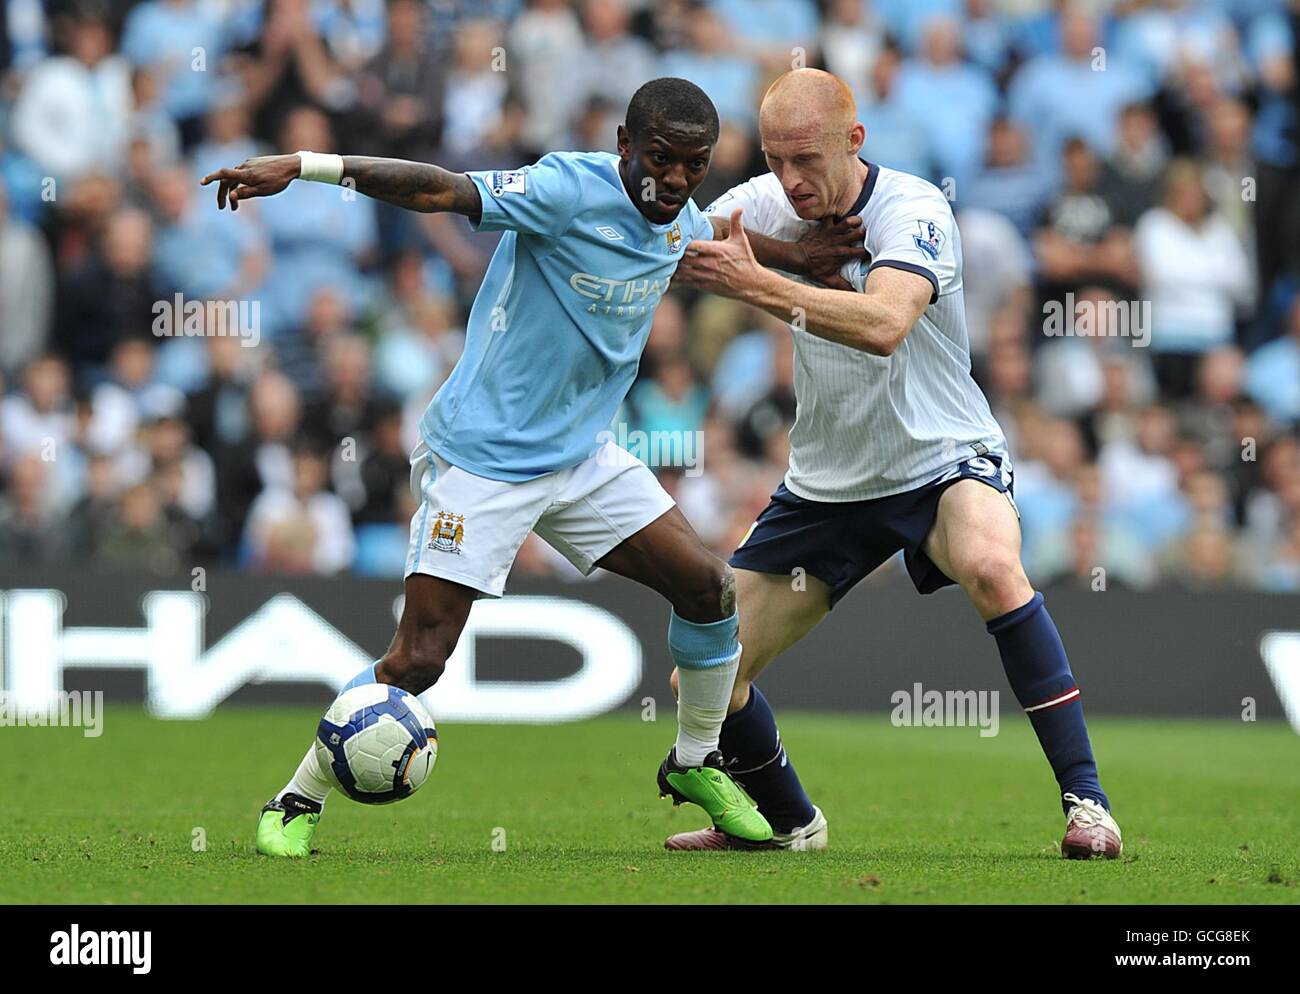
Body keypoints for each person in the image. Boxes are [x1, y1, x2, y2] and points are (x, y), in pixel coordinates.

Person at [201, 77, 864, 857]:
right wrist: (309, 165)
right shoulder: (560, 190)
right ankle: (298, 797)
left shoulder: (672, 214)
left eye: (695, 164)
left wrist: (799, 256)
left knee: (709, 589)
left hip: (584, 457)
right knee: (418, 659)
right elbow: (440, 190)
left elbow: (694, 239)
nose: (677, 180)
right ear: (623, 145)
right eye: (660, 160)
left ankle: (695, 761)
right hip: (483, 460)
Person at [668, 69, 1123, 859]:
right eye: (775, 160)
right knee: (704, 683)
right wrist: (784, 250)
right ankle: (790, 823)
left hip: (941, 459)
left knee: (990, 565)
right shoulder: (773, 206)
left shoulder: (915, 208)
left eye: (806, 159)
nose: (789, 179)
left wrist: (757, 279)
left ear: (855, 140)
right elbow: (661, 240)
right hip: (827, 484)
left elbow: (882, 323)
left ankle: (1089, 808)